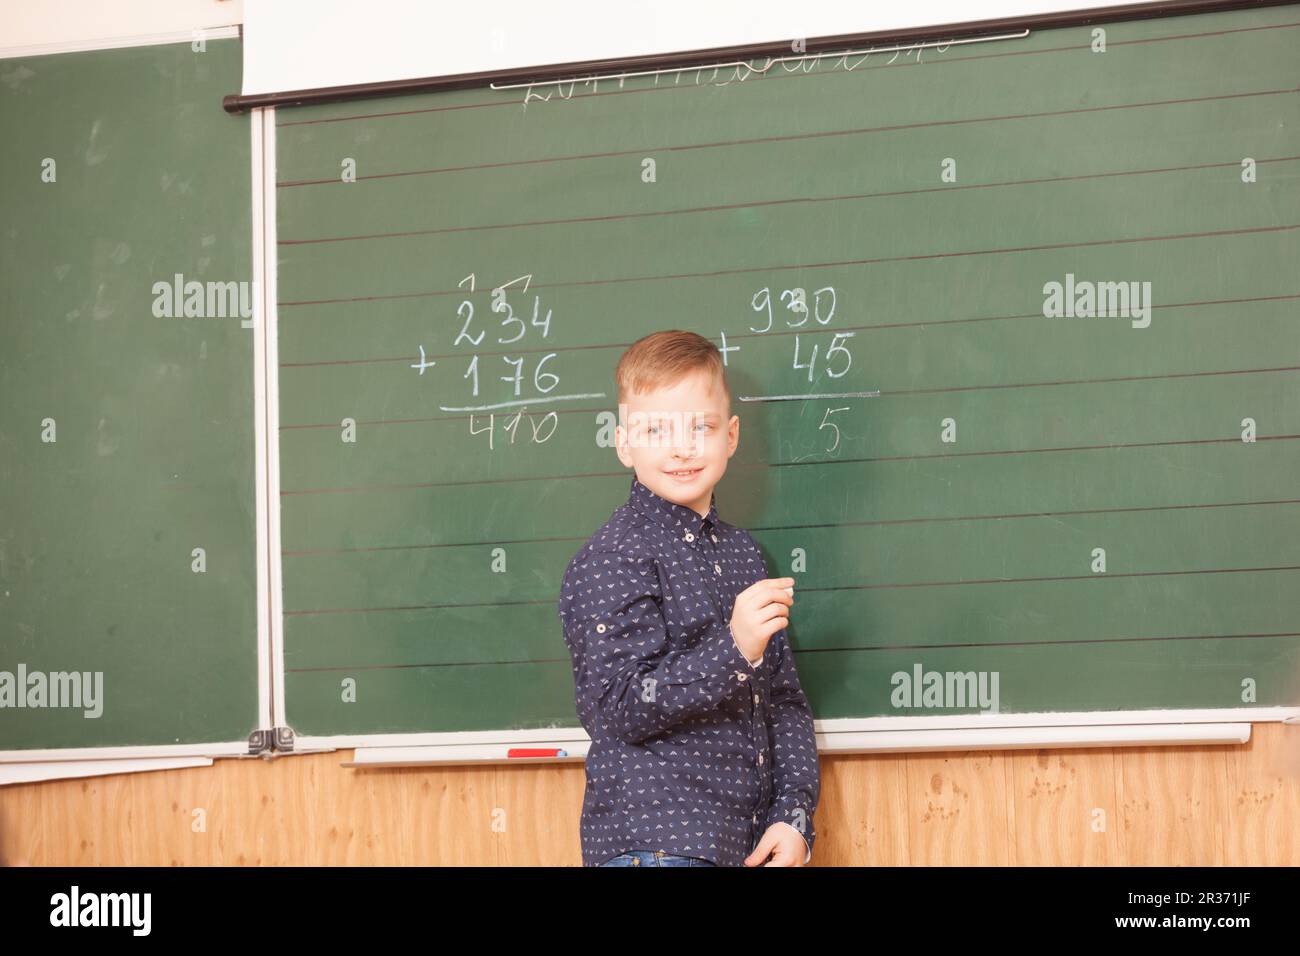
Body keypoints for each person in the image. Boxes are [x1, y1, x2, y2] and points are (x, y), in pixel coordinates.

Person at [558, 329, 820, 867]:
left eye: (699, 426)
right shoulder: (612, 559)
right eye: (655, 429)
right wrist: (734, 648)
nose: (681, 447)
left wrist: (793, 816)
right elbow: (617, 709)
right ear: (624, 441)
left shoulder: (743, 555)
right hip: (656, 848)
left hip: (743, 845)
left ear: (731, 435)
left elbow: (784, 701)